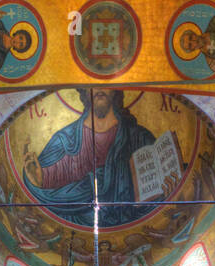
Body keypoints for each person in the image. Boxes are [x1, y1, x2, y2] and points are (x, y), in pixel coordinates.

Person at [22, 88, 172, 229]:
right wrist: (40, 179)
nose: (99, 89)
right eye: (92, 85)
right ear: (84, 92)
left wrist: (166, 190)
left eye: (105, 84)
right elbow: (51, 180)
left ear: (115, 91)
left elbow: (153, 190)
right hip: (77, 222)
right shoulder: (64, 139)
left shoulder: (138, 137)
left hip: (126, 221)